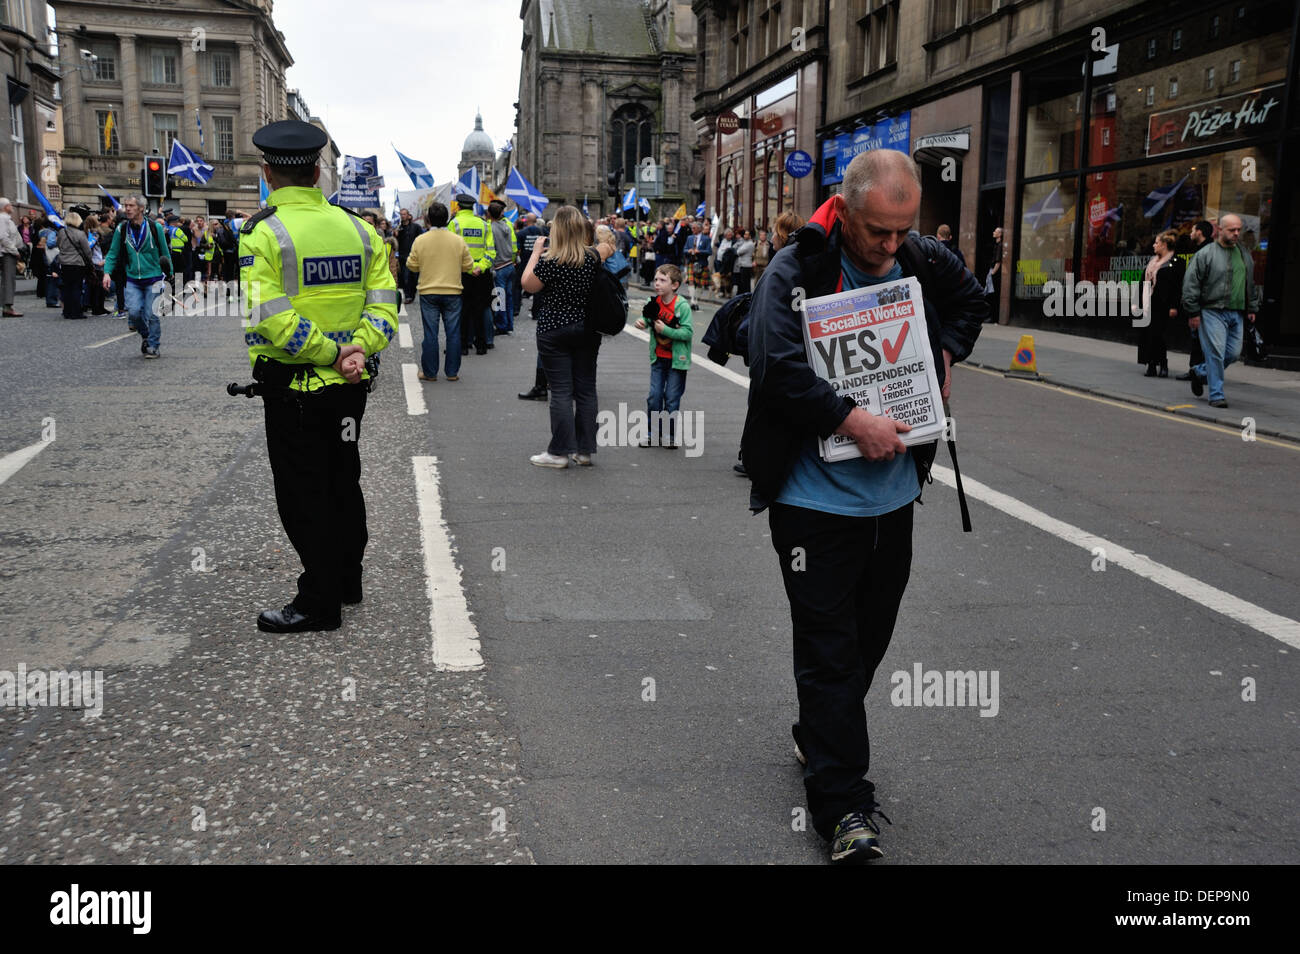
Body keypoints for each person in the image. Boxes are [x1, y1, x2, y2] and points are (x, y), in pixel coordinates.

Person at [743, 148, 984, 864]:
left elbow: (969, 303)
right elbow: (776, 368)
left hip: (893, 500)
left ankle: (820, 735)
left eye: (902, 231)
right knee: (828, 651)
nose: (890, 246)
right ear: (843, 212)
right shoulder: (795, 270)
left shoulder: (918, 257)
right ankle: (844, 808)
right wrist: (850, 418)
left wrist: (946, 352)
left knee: (866, 642)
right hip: (812, 505)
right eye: (878, 231)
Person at [238, 119, 399, 633]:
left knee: (304, 493)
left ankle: (319, 601)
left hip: (295, 391)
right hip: (350, 389)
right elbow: (385, 304)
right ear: (315, 171)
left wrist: (329, 353)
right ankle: (346, 579)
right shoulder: (360, 229)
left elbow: (272, 315)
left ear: (269, 173)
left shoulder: (262, 231)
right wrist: (356, 353)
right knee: (342, 481)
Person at [520, 205, 601, 468]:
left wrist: (534, 254)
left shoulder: (551, 261)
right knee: (586, 389)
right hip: (587, 329)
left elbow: (527, 284)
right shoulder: (593, 258)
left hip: (554, 328)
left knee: (562, 391)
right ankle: (585, 450)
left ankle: (559, 453)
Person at [1182, 212, 1258, 409]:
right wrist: (1193, 312)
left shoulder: (1244, 254)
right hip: (1211, 310)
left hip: (1237, 312)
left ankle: (1199, 372)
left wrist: (1252, 307)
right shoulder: (1205, 254)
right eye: (1232, 230)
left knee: (1233, 354)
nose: (1236, 233)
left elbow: (1250, 283)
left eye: (1238, 230)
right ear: (1220, 230)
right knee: (1215, 353)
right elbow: (1191, 284)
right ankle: (1216, 395)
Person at [406, 202, 474, 382]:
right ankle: (452, 372)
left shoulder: (421, 240)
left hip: (428, 291)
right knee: (453, 333)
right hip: (453, 291)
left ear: (428, 219)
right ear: (447, 219)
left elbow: (411, 265)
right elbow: (468, 266)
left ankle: (430, 372)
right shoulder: (457, 240)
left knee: (430, 333)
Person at [102, 196, 173, 355]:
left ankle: (153, 346)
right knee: (133, 313)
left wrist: (170, 275)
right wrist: (106, 273)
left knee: (152, 314)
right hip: (132, 279)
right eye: (126, 205)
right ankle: (146, 336)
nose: (127, 209)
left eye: (131, 205)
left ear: (141, 208)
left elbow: (165, 253)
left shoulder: (156, 228)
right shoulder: (122, 229)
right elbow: (112, 253)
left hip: (154, 278)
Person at [633, 263, 693, 448]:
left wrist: (666, 330)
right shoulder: (654, 302)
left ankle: (669, 434)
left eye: (662, 280)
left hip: (677, 361)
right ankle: (651, 432)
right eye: (656, 279)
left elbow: (687, 333)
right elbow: (648, 317)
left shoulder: (682, 306)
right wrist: (642, 321)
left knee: (672, 398)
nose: (657, 283)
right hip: (658, 358)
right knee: (654, 396)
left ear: (674, 285)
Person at [448, 194, 495, 355]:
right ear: (472, 207)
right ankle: (481, 344)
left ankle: (463, 345)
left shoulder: (453, 224)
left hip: (461, 273)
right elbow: (491, 252)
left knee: (462, 310)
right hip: (481, 275)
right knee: (480, 309)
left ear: (459, 207)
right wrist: (479, 267)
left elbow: (451, 252)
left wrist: (468, 268)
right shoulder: (484, 224)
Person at [1175, 220, 1214, 381]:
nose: (1190, 233)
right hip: (1197, 304)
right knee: (1196, 340)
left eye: (1193, 230)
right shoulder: (1198, 250)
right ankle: (1195, 370)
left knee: (1205, 341)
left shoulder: (1208, 251)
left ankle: (1201, 372)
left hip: (1205, 304)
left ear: (1199, 232)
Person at [1139, 230, 1181, 377]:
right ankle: (1150, 364)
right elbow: (1143, 282)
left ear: (1164, 245)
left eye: (1156, 243)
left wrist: (1174, 306)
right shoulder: (1152, 261)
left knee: (1159, 335)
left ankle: (1163, 364)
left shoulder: (1176, 262)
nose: (1154, 245)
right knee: (1148, 335)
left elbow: (1177, 287)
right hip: (1149, 303)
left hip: (1163, 305)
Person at [55, 211, 94, 320]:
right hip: (77, 263)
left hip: (64, 263)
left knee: (66, 288)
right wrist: (90, 262)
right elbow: (87, 251)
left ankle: (67, 311)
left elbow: (58, 245)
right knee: (76, 287)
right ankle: (76, 312)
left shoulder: (62, 232)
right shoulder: (80, 234)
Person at [487, 200, 517, 335]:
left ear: (489, 214)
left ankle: (501, 325)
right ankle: (509, 324)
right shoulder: (507, 226)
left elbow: (492, 249)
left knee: (499, 298)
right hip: (510, 265)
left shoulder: (490, 228)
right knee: (508, 297)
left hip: (499, 268)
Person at [0, 199, 23, 316]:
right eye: (9, 204)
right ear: (5, 207)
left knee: (7, 280)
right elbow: (3, 237)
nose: (11, 206)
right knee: (8, 280)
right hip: (7, 253)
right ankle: (7, 307)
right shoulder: (3, 219)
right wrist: (14, 251)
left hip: (7, 252)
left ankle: (6, 306)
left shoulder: (6, 219)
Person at [396, 208, 423, 304]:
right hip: (403, 256)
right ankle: (408, 296)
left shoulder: (416, 227)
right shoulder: (399, 228)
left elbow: (421, 239)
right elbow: (396, 242)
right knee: (405, 277)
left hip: (414, 255)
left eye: (404, 214)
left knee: (415, 277)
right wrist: (396, 235)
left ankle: (412, 294)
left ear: (408, 215)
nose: (402, 216)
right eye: (401, 214)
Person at [984, 225, 1004, 323]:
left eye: (995, 231)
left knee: (992, 295)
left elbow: (998, 261)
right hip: (992, 271)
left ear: (1000, 234)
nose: (993, 232)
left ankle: (993, 317)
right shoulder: (996, 245)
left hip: (993, 272)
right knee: (989, 294)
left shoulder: (1000, 246)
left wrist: (992, 273)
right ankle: (990, 316)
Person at [732, 228, 756, 294]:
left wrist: (737, 250)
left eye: (746, 234)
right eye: (744, 234)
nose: (744, 236)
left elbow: (739, 251)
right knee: (743, 283)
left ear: (750, 236)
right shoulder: (746, 243)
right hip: (742, 265)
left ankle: (747, 297)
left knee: (745, 284)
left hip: (746, 266)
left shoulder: (749, 244)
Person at [714, 227, 735, 296]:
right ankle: (722, 291)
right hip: (719, 260)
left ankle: (728, 292)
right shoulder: (722, 240)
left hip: (727, 263)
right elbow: (719, 235)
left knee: (727, 278)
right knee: (720, 277)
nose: (729, 236)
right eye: (727, 235)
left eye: (730, 235)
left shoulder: (733, 242)